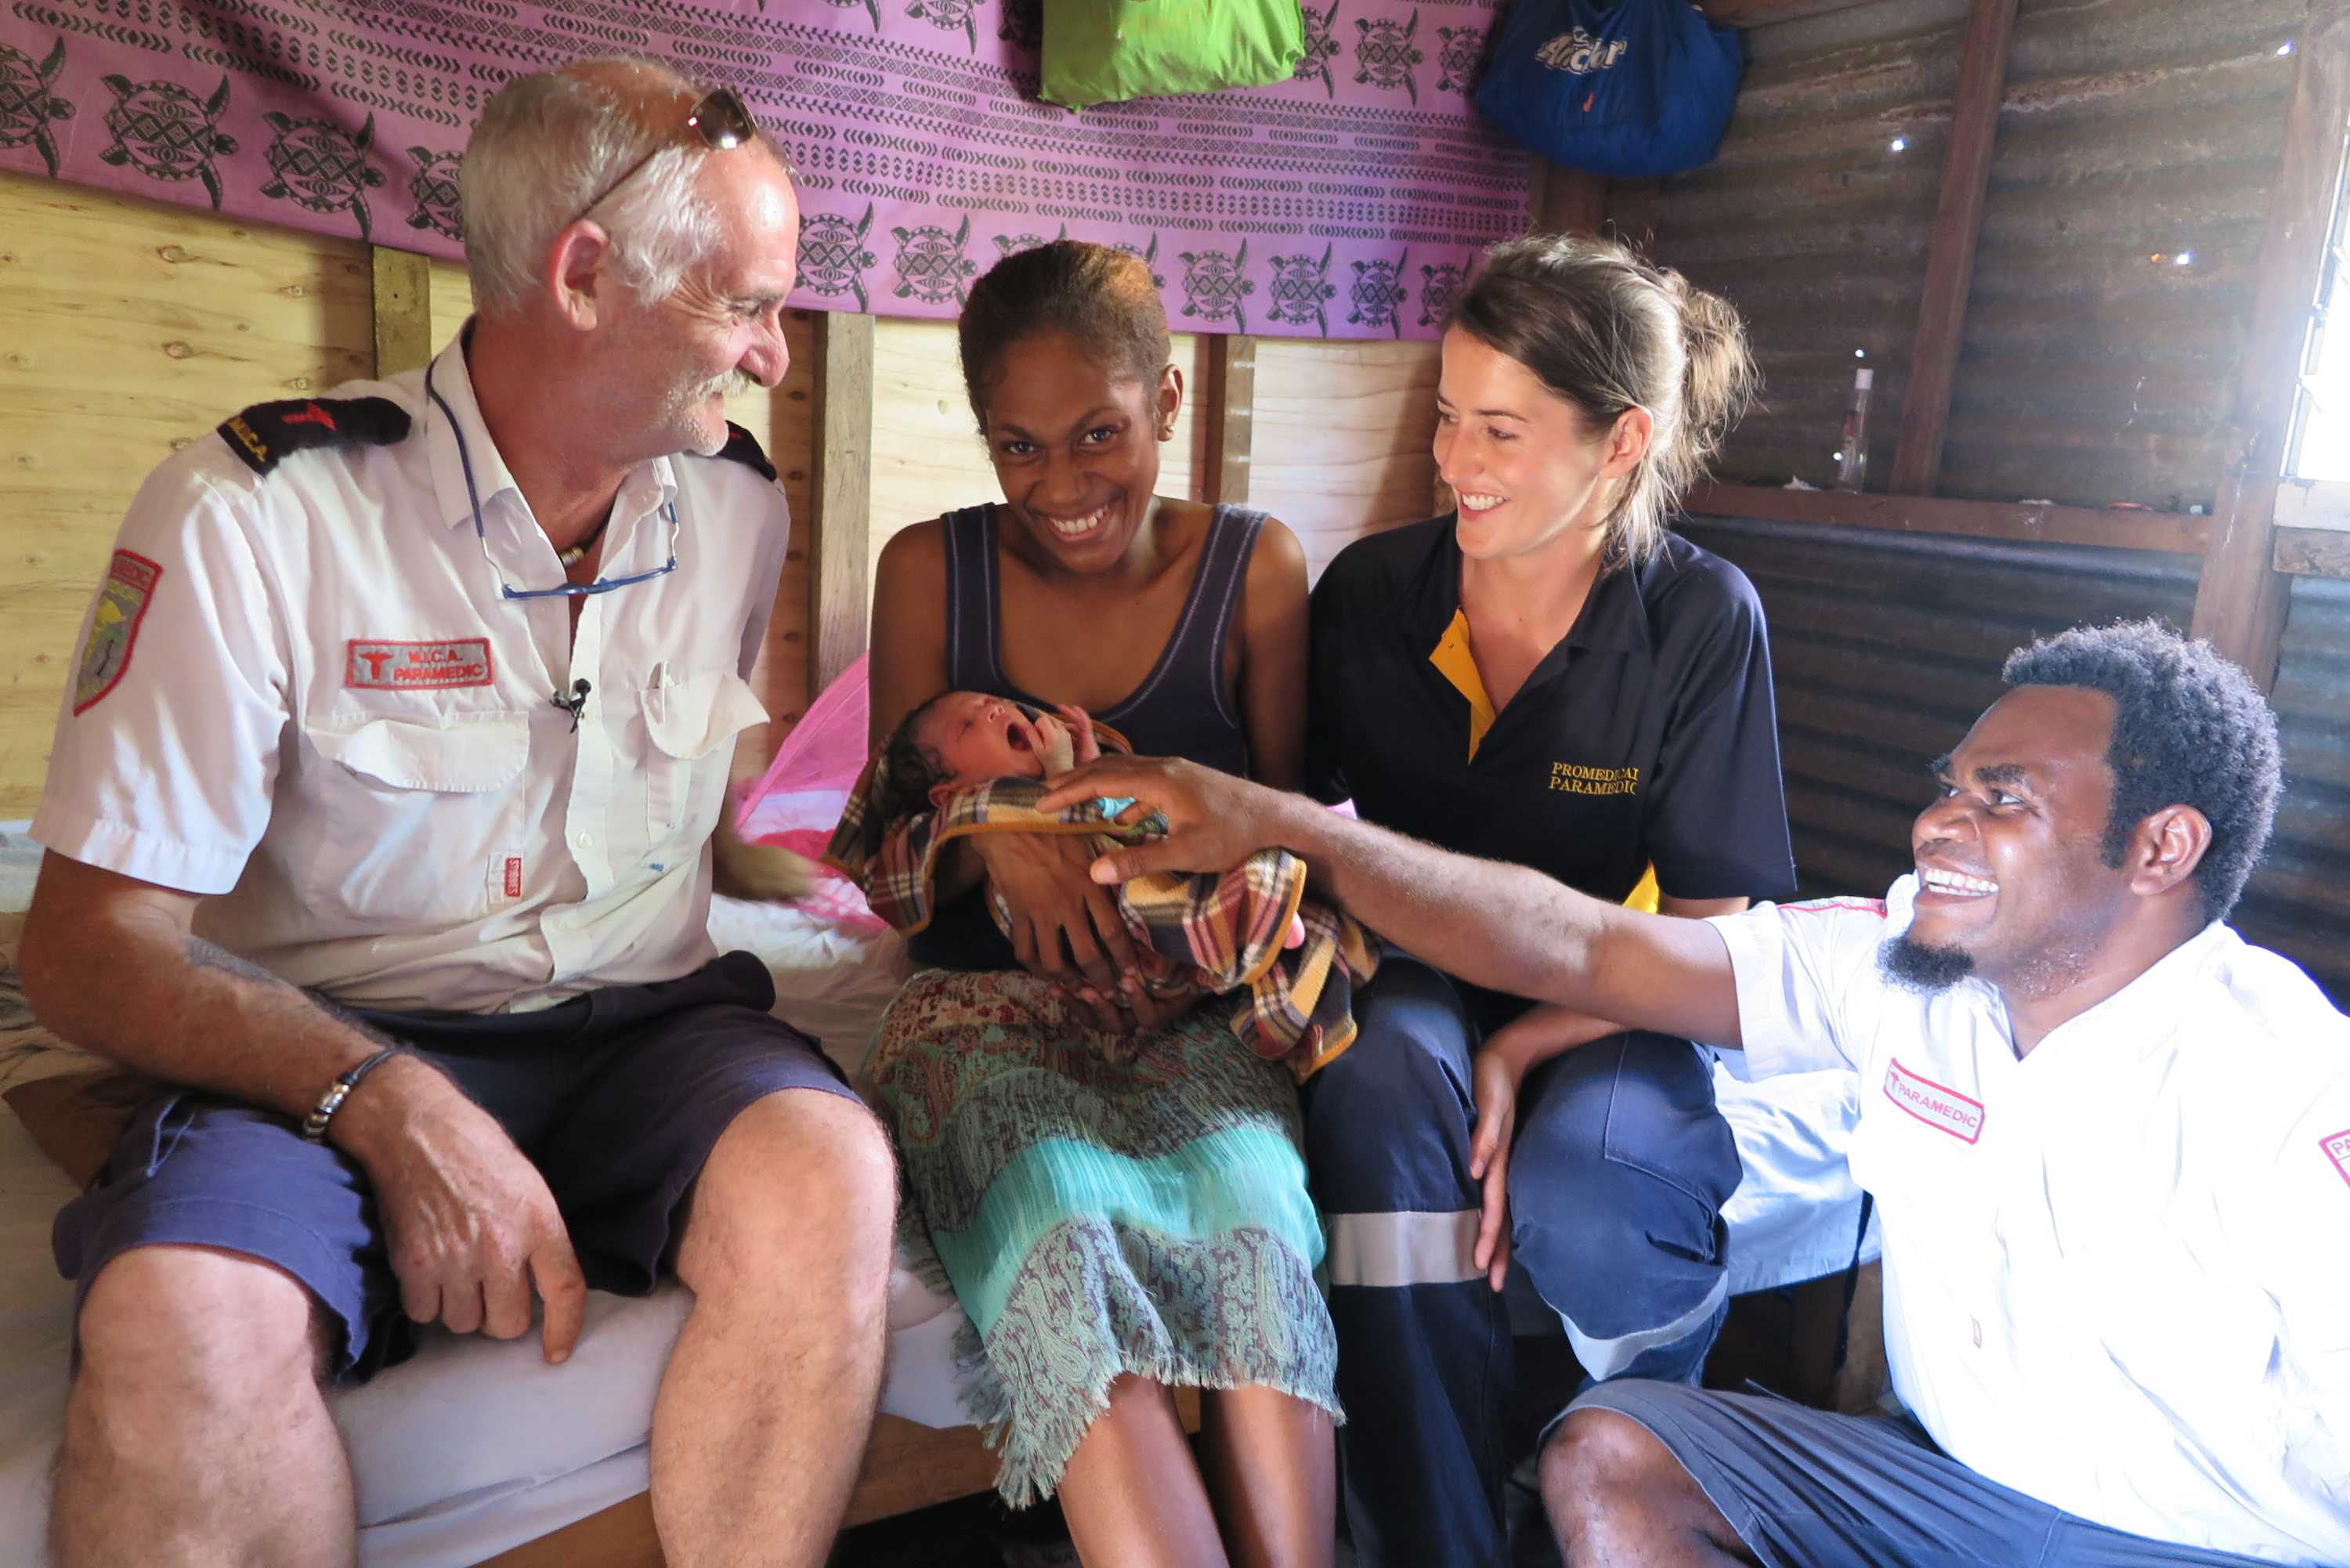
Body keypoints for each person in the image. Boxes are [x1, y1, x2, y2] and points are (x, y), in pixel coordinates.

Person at [16, 60, 896, 1568]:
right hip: (322, 1042)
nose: (770, 358)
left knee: (834, 1177)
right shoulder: (257, 513)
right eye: (748, 306)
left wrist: (836, 870)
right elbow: (89, 949)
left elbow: (683, 801)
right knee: (183, 1316)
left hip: (643, 1031)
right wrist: (391, 1102)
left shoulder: (737, 510)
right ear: (584, 274)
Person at [1039, 618, 2350, 1568]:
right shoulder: (1900, 968)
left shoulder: (2282, 1090)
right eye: (1949, 786)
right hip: (1946, 1497)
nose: (1939, 824)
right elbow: (1585, 945)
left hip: (2212, 1542)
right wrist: (1291, 827)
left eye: (2001, 798)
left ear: (2162, 847)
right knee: (1612, 1452)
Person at [1295, 233, 1793, 1564]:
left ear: (1620, 440)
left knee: (1602, 1186)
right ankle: (1435, 1525)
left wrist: (1519, 1044)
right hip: (1415, 973)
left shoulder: (1696, 621)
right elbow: (1290, 825)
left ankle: (1626, 1466)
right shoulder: (1369, 595)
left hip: (1608, 985)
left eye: (1502, 431)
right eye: (1450, 419)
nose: (1455, 462)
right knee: (1386, 1092)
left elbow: (1713, 929)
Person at [862, 239, 1337, 1568]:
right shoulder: (926, 569)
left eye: (1099, 435)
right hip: (978, 1013)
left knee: (1258, 1229)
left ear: (1169, 405)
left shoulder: (1258, 569)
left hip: (1191, 1019)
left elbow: (1284, 830)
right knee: (1063, 1238)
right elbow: (889, 834)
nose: (1061, 487)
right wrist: (990, 828)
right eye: (1017, 446)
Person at [841, 689, 1372, 1069]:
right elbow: (1053, 808)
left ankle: (1274, 924)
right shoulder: (975, 809)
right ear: (947, 792)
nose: (995, 708)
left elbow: (1110, 806)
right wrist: (1063, 767)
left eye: (989, 701)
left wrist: (1091, 764)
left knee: (1182, 874)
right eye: (969, 724)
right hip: (1098, 925)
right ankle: (1256, 919)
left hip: (1136, 881)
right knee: (1144, 901)